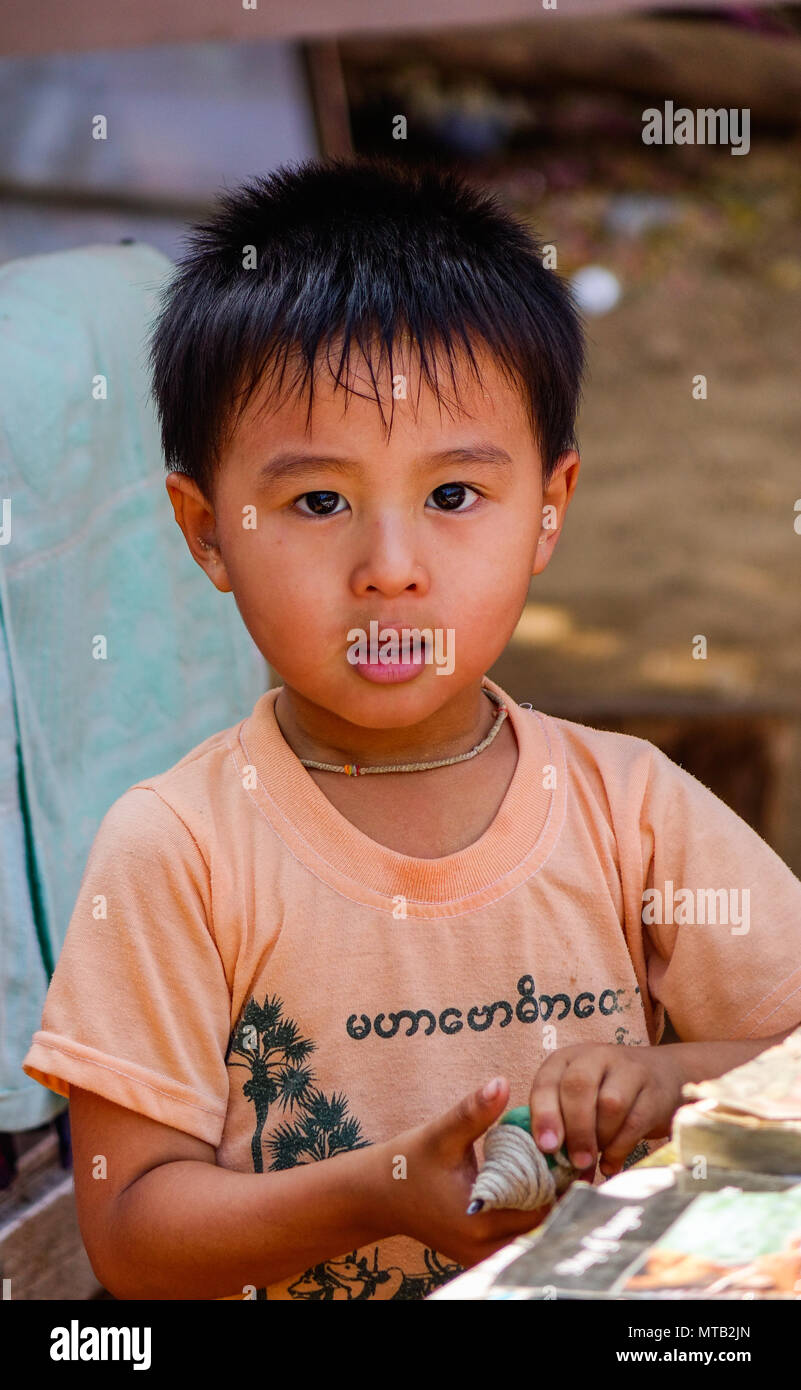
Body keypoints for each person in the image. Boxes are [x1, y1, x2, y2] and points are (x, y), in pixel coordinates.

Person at [22, 157, 801, 1301]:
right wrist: (376, 1188)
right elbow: (130, 1235)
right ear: (206, 531)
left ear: (549, 508)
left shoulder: (633, 809)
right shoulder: (177, 850)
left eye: (452, 497)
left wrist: (673, 1079)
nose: (390, 572)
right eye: (319, 502)